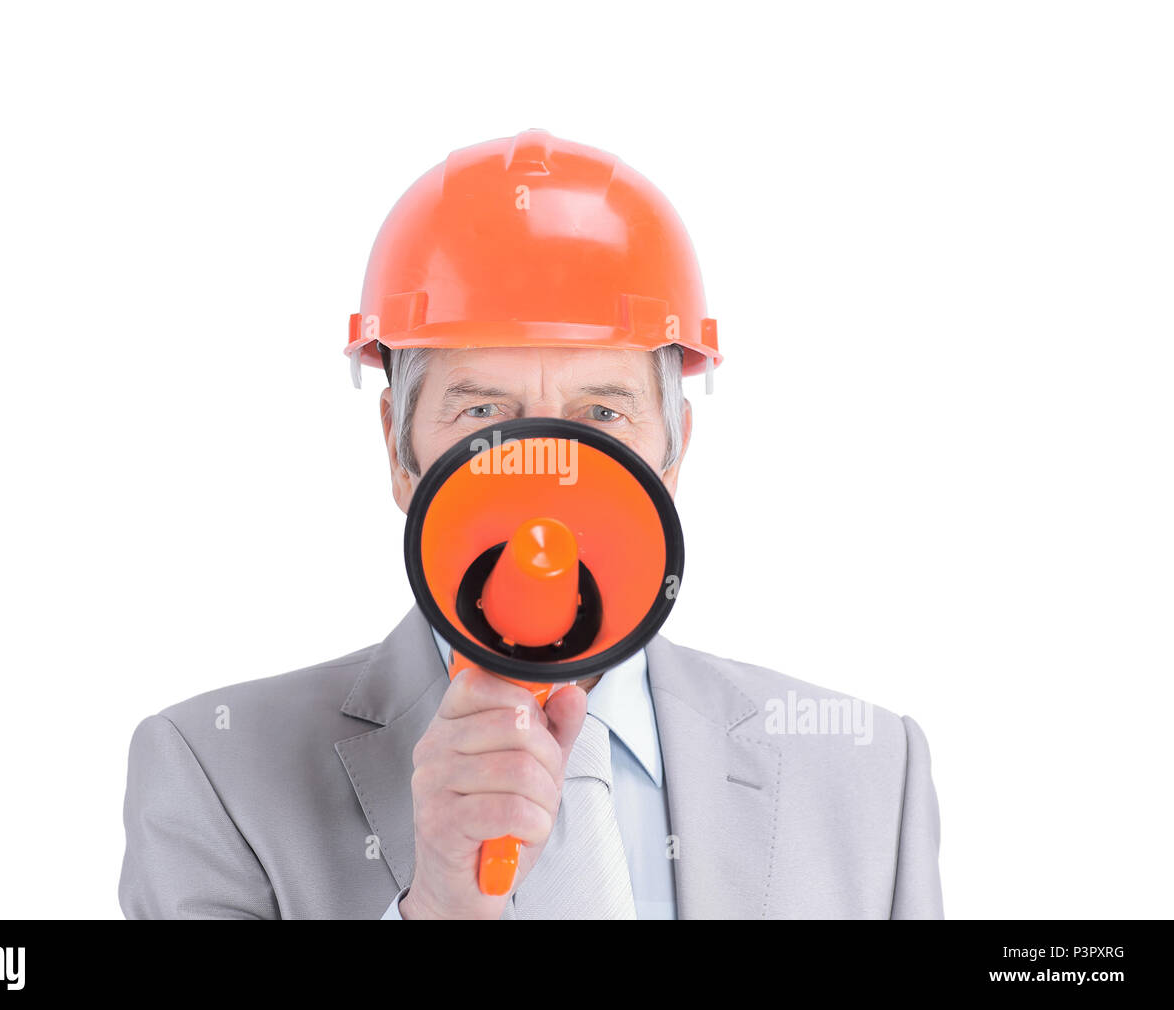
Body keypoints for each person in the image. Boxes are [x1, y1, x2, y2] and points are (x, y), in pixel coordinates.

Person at [117, 129, 943, 919]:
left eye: (602, 414)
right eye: (483, 412)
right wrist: (436, 913)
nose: (547, 471)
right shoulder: (213, 773)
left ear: (677, 448)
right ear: (399, 453)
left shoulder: (867, 774)